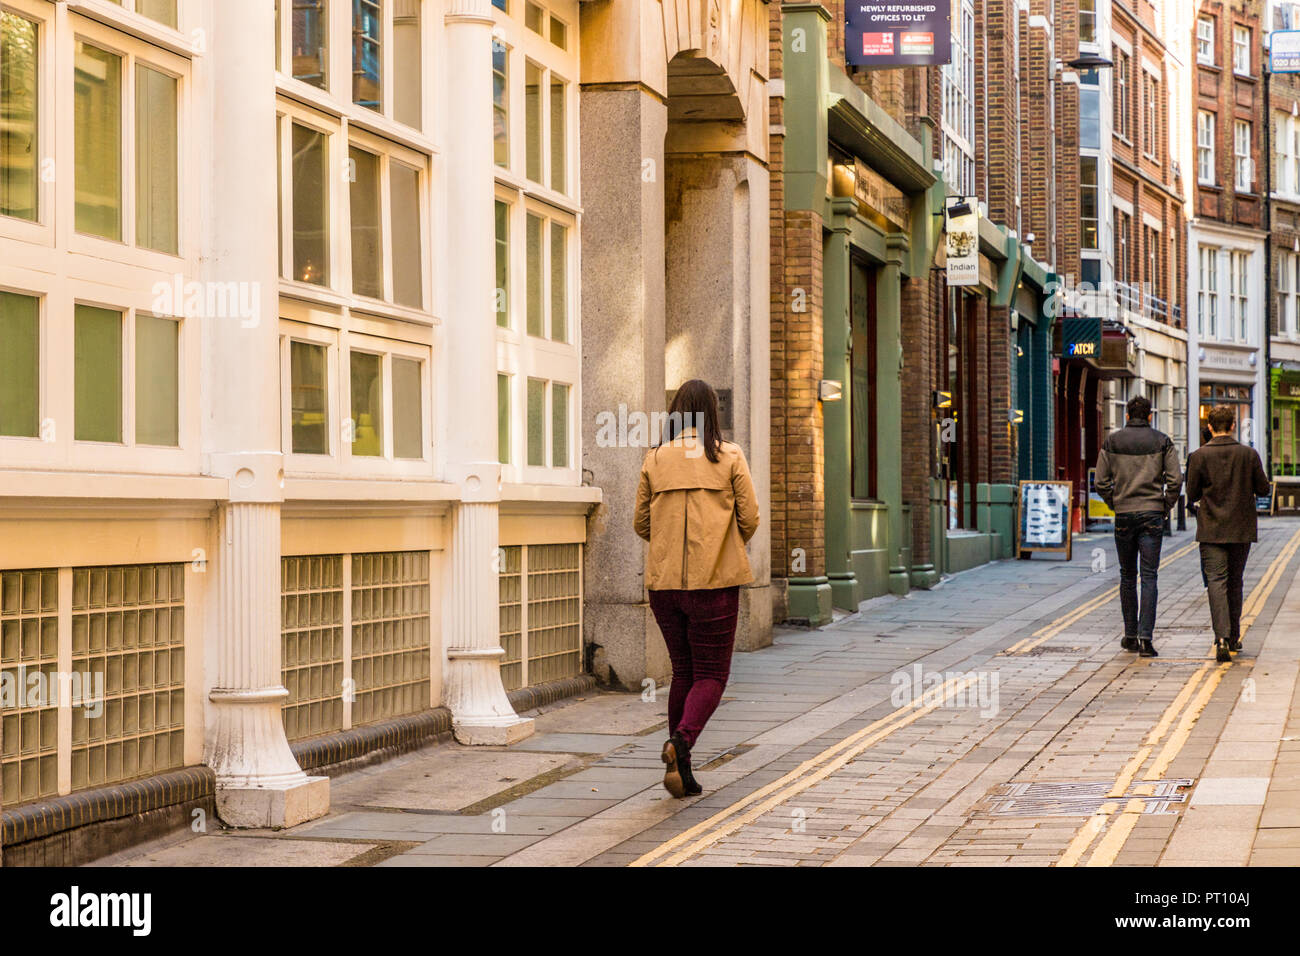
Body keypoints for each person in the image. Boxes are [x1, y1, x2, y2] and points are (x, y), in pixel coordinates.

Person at [634, 380, 759, 798]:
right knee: (711, 674)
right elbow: (750, 517)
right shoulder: (729, 455)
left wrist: (669, 544)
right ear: (711, 414)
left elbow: (641, 524)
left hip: (664, 586)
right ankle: (681, 741)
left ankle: (682, 773)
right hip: (715, 585)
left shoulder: (655, 458)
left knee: (683, 672)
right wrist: (724, 543)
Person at [1094, 395, 1182, 658]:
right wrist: (1164, 506)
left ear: (1127, 416)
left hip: (1124, 516)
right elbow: (1175, 480)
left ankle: (1130, 635)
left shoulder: (1112, 441)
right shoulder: (1162, 441)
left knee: (1127, 575)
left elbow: (1100, 482)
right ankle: (1146, 639)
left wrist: (1115, 502)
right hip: (1152, 515)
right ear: (1150, 416)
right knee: (1150, 576)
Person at [1186, 405, 1272, 663]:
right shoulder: (1249, 454)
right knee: (1235, 581)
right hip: (1240, 529)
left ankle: (1221, 637)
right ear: (1233, 425)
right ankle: (1233, 636)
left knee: (1216, 581)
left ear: (1210, 427)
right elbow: (1264, 488)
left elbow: (1191, 494)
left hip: (1211, 529)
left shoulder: (1199, 456)